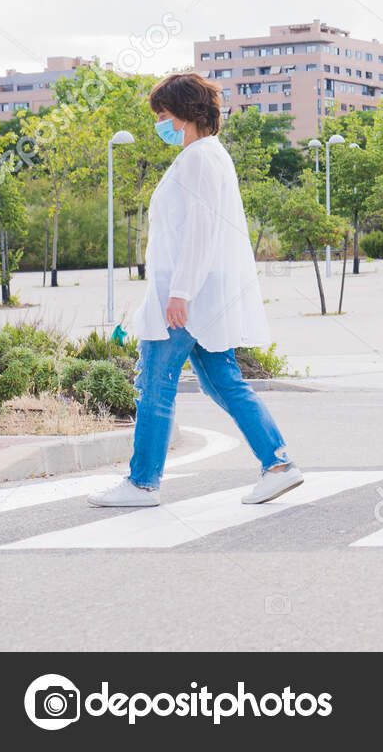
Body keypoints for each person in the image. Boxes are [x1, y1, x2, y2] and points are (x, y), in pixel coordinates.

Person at [89, 73, 304, 508]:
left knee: (154, 381)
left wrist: (180, 292)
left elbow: (200, 232)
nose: (161, 124)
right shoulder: (207, 156)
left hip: (188, 293)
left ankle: (142, 483)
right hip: (198, 292)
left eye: (164, 116)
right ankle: (278, 464)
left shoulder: (199, 159)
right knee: (221, 381)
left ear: (185, 115)